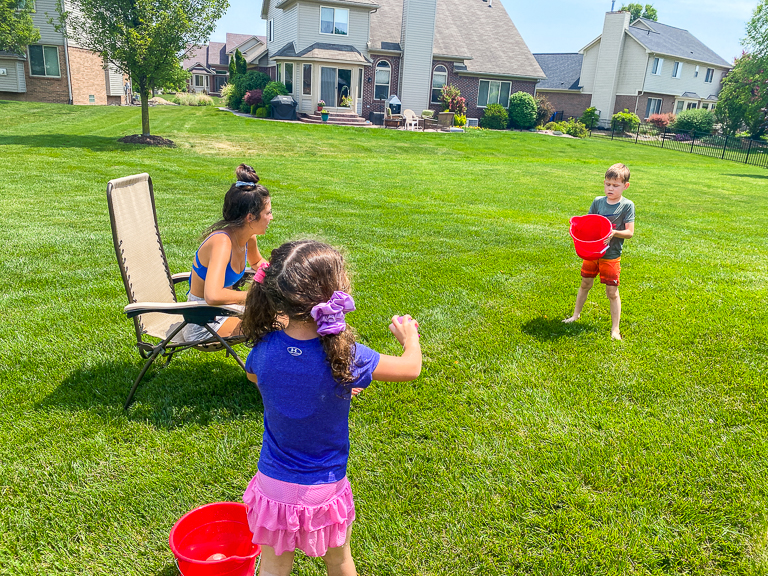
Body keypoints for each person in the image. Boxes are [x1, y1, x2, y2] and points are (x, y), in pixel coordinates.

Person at [240, 240, 422, 576]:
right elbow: (411, 368)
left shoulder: (262, 350)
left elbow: (256, 377)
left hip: (273, 487)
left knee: (273, 566)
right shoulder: (347, 356)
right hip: (323, 491)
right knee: (338, 561)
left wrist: (324, 388)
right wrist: (409, 337)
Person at [182, 163, 273, 342]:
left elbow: (257, 262)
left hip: (226, 312)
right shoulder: (222, 242)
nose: (271, 217)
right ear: (250, 217)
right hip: (204, 324)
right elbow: (213, 295)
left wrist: (280, 276)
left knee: (288, 316)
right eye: (268, 213)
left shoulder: (248, 238)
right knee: (279, 325)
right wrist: (257, 297)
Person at [563, 163, 635, 340]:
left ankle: (615, 329)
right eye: (607, 184)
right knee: (585, 284)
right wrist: (577, 228)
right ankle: (575, 315)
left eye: (615, 185)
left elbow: (630, 233)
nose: (610, 188)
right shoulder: (598, 202)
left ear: (625, 186)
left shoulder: (627, 205)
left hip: (611, 256)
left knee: (612, 292)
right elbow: (587, 223)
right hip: (592, 253)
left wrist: (614, 232)